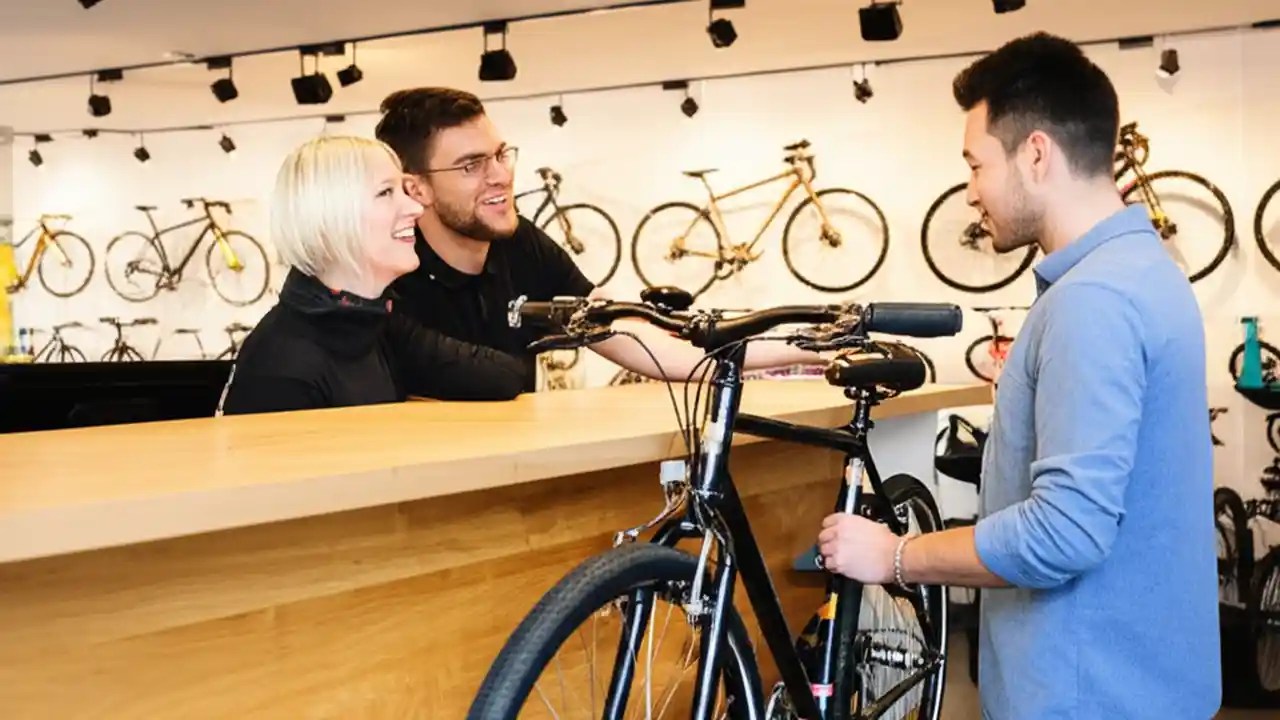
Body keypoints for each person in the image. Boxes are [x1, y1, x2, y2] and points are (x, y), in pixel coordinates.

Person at [815, 33, 1219, 718]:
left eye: (975, 165)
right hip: (1142, 685)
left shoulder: (1093, 300)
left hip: (1089, 697)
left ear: (1035, 153)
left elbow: (1064, 532)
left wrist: (897, 555)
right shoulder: (1146, 271)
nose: (970, 192)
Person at [373, 87, 823, 389]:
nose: (502, 176)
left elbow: (646, 344)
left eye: (500, 154)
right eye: (472, 165)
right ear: (416, 188)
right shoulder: (385, 275)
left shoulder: (521, 245)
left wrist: (810, 348)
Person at [217, 136, 528, 416]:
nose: (415, 208)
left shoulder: (372, 323)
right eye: (386, 192)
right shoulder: (282, 364)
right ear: (331, 216)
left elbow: (500, 376)